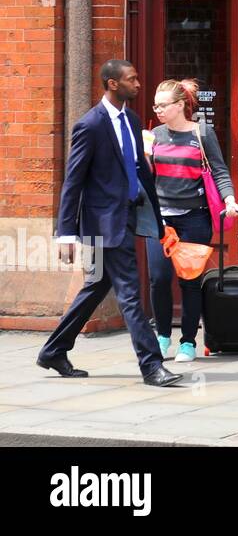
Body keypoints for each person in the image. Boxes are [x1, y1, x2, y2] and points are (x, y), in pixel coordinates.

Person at [37, 60, 182, 387]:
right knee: (130, 292)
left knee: (97, 286)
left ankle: (53, 350)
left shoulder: (130, 120)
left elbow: (141, 172)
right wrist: (65, 234)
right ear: (112, 84)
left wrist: (157, 221)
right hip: (104, 223)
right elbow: (73, 182)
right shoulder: (90, 125)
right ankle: (151, 365)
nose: (138, 84)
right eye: (132, 79)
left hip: (129, 215)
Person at [144, 78, 238, 362]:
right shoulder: (153, 135)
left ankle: (188, 341)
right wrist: (142, 158)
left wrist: (229, 200)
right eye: (155, 105)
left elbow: (219, 170)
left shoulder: (202, 133)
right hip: (160, 220)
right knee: (159, 279)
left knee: (189, 280)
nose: (158, 110)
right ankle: (162, 336)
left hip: (194, 217)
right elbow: (146, 177)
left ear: (180, 105)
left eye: (163, 105)